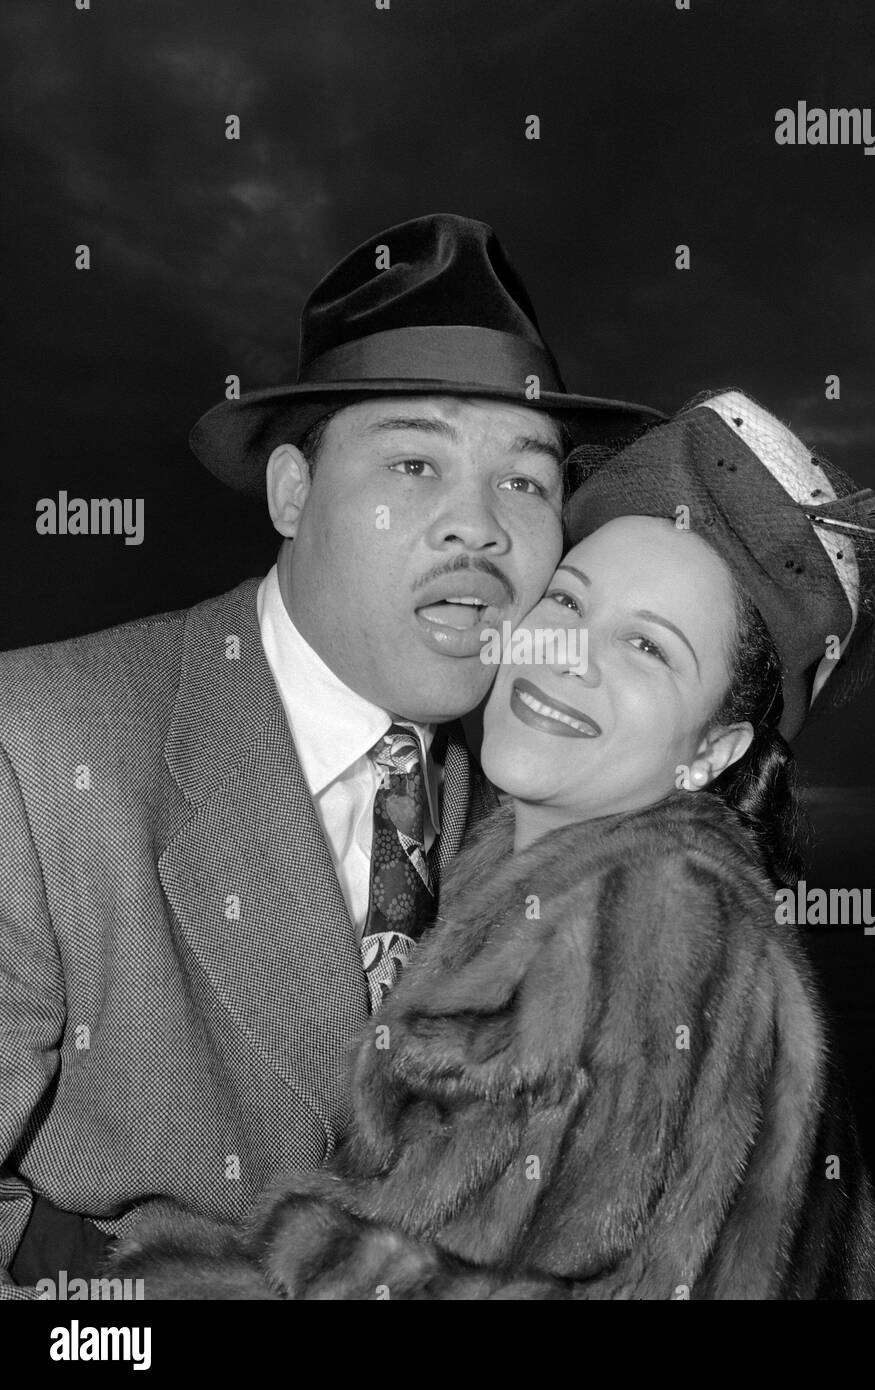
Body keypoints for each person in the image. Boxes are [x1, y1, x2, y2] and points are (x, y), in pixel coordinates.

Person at [107, 390, 875, 1300]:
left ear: (713, 750)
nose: (569, 655)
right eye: (567, 600)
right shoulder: (516, 867)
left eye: (648, 649)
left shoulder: (649, 919)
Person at [0, 214, 660, 1298]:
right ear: (293, 494)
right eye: (414, 459)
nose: (481, 528)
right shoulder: (33, 752)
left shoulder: (543, 803)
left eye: (528, 480)